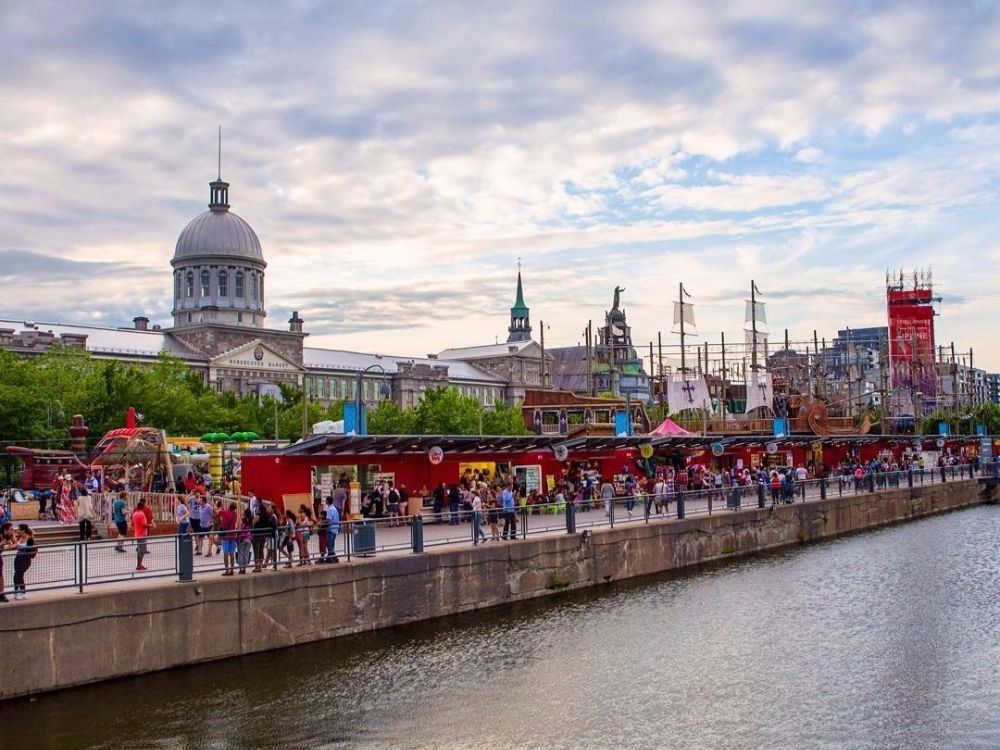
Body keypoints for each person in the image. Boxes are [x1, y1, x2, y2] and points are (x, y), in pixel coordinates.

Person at [11, 524, 35, 600]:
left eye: (18, 530)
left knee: (18, 575)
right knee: (17, 575)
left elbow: (31, 550)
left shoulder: (29, 539)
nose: (17, 531)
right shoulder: (19, 537)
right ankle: (16, 591)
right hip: (18, 558)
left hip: (25, 560)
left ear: (23, 530)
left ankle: (22, 592)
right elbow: (15, 545)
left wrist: (21, 548)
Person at [219, 501, 238, 576]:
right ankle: (232, 569)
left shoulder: (225, 512)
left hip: (226, 536)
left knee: (226, 553)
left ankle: (227, 570)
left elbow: (218, 512)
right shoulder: (235, 514)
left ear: (229, 506)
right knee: (232, 553)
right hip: (233, 535)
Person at [132, 498, 151, 572]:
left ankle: (139, 564)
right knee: (142, 551)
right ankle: (139, 565)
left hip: (137, 533)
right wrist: (150, 525)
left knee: (139, 550)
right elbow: (144, 525)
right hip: (142, 534)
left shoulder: (135, 514)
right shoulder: (141, 514)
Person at [236, 508, 254, 575]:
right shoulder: (251, 521)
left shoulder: (242, 520)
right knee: (246, 554)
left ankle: (241, 568)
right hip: (249, 539)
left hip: (242, 539)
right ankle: (244, 568)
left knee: (241, 554)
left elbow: (239, 529)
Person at [323, 499, 340, 563]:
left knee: (329, 544)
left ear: (327, 501)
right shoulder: (334, 508)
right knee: (332, 543)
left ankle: (333, 557)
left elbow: (328, 519)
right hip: (335, 528)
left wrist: (321, 522)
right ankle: (331, 556)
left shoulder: (330, 509)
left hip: (331, 528)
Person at [0, 523, 13, 602]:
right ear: (5, 530)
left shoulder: (8, 535)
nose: (12, 531)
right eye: (11, 529)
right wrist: (2, 543)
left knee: (1, 577)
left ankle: (1, 594)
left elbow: (15, 543)